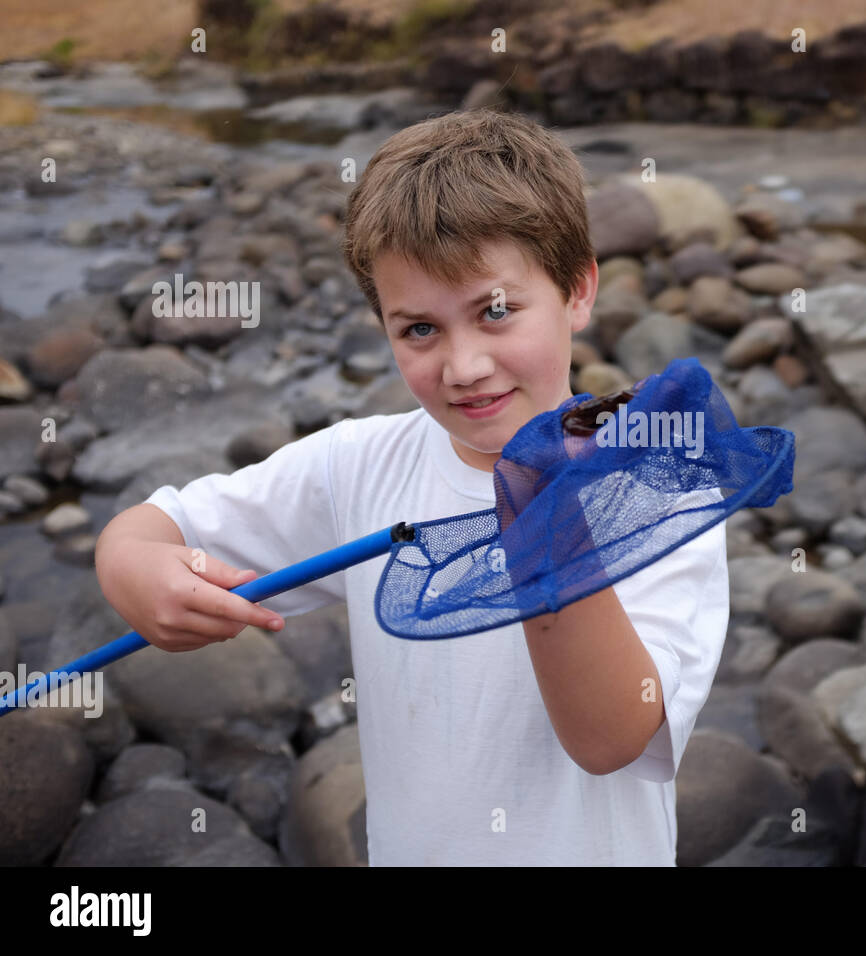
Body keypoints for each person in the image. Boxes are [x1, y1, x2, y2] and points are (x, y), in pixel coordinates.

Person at [93, 110, 729, 866]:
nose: (464, 366)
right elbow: (149, 528)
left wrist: (543, 509)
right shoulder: (357, 467)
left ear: (579, 289)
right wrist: (138, 574)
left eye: (496, 311)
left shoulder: (662, 493)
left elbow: (611, 736)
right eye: (419, 330)